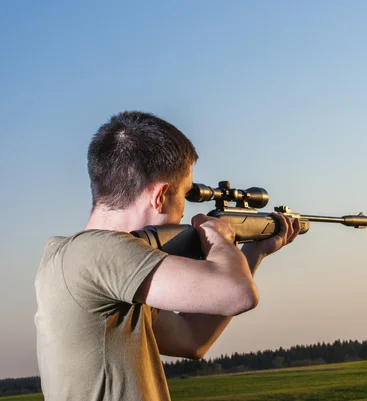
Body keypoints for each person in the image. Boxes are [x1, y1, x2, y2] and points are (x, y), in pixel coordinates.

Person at [34, 111, 301, 401]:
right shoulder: (96, 253)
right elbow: (239, 294)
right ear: (160, 196)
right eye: (185, 194)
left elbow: (192, 340)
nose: (184, 211)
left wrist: (254, 251)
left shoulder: (89, 263)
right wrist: (220, 237)